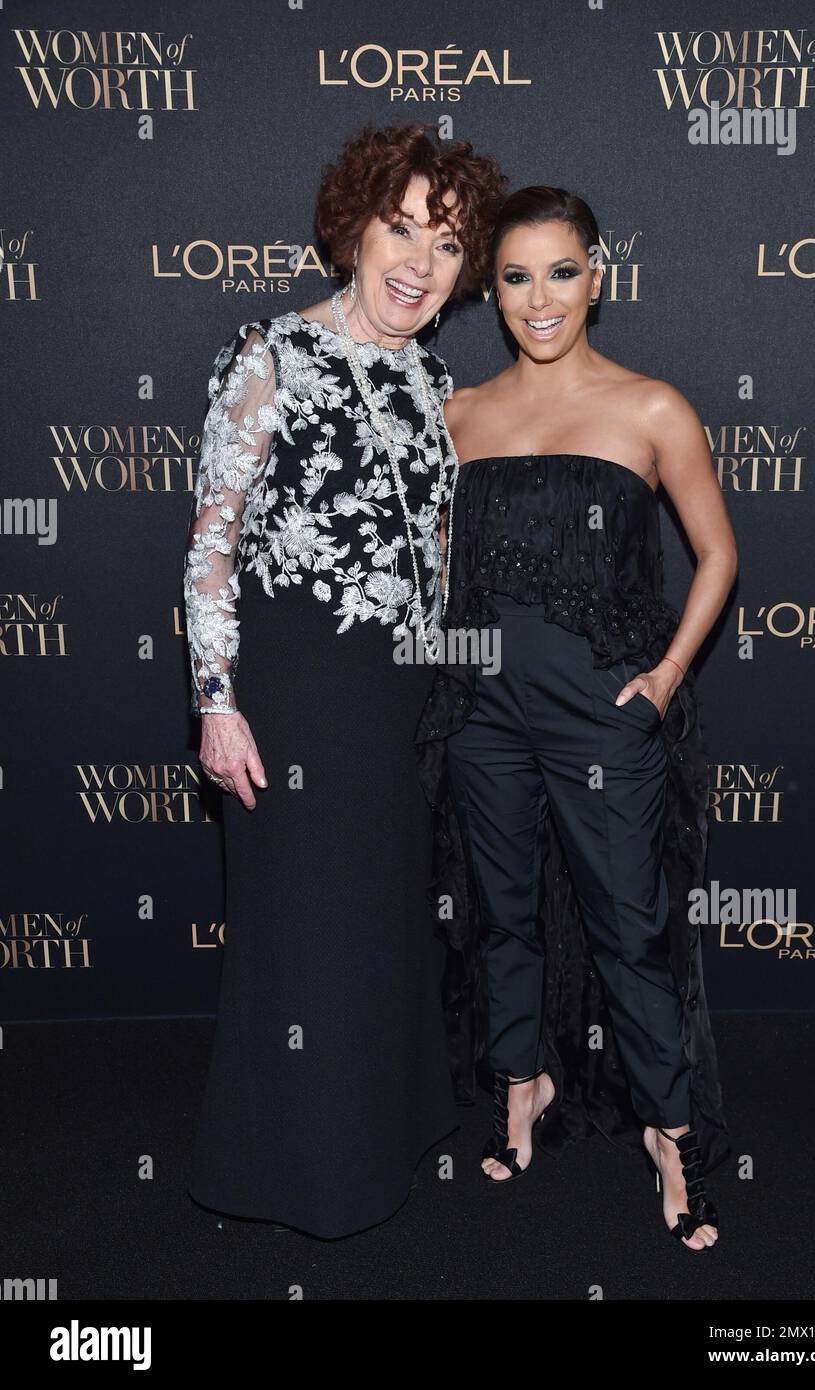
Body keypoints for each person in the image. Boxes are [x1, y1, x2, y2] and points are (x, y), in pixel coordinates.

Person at [183, 122, 507, 1239]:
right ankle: (300, 1174)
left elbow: (437, 552)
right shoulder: (269, 352)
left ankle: (380, 1135)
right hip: (296, 689)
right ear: (353, 230)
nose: (419, 262)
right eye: (400, 228)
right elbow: (213, 542)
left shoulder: (431, 373)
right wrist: (215, 701)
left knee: (379, 923)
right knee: (306, 928)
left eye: (447, 244)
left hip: (398, 697)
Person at [416, 186, 737, 1252]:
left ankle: (670, 1131)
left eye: (561, 271)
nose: (539, 298)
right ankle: (521, 1083)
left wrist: (666, 675)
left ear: (597, 276)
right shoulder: (458, 414)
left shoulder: (651, 408)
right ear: (491, 290)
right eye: (515, 277)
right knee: (500, 913)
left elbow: (718, 554)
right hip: (482, 711)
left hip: (602, 715)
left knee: (630, 929)